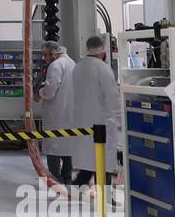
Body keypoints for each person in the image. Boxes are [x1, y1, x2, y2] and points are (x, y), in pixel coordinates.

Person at [71, 35, 123, 185]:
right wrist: (121, 122)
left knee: (90, 163)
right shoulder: (103, 68)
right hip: (103, 124)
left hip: (83, 124)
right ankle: (104, 199)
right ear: (102, 50)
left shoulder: (78, 67)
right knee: (102, 163)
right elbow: (113, 99)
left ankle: (77, 189)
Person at [35, 41, 76, 183]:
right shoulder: (71, 63)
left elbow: (50, 90)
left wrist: (39, 93)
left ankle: (55, 180)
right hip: (69, 113)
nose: (44, 58)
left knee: (53, 147)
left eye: (46, 55)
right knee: (68, 148)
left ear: (54, 53)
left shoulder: (56, 65)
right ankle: (67, 179)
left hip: (56, 113)